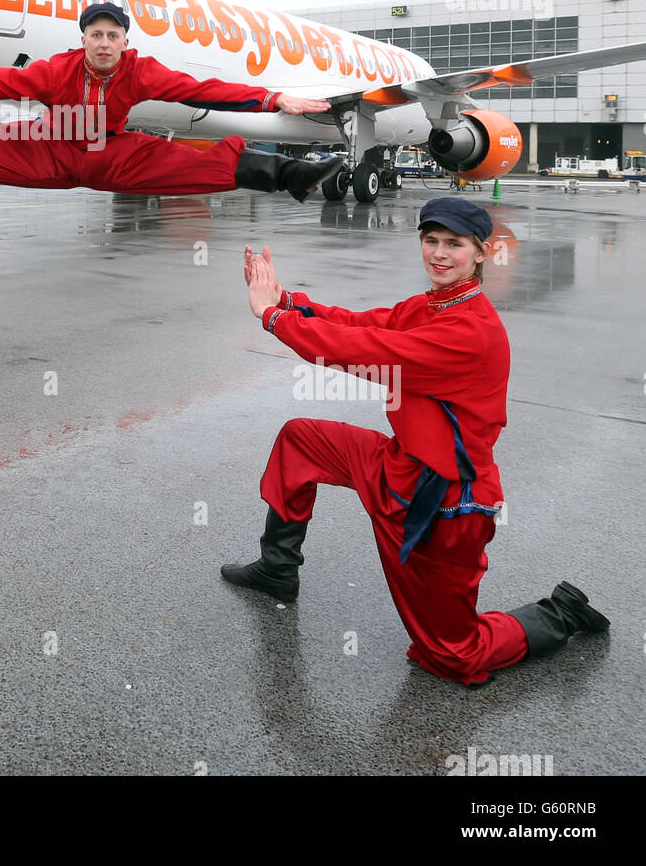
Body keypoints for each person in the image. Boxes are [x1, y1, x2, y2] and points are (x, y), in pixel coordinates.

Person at [222, 198, 609, 686]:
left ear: (482, 253)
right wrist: (289, 301)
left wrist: (272, 318)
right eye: (431, 241)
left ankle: (561, 614)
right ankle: (278, 568)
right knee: (301, 439)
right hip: (398, 465)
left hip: (442, 505)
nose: (440, 254)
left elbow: (363, 351)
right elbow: (365, 323)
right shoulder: (432, 304)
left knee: (451, 655)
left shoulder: (470, 331)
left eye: (454, 244)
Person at [0, 2, 344, 206]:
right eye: (95, 35)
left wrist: (274, 97)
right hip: (48, 145)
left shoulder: (143, 71)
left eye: (113, 36)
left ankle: (290, 174)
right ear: (84, 40)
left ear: (124, 41)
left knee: (194, 162)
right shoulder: (57, 70)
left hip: (112, 152)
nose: (104, 43)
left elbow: (202, 91)